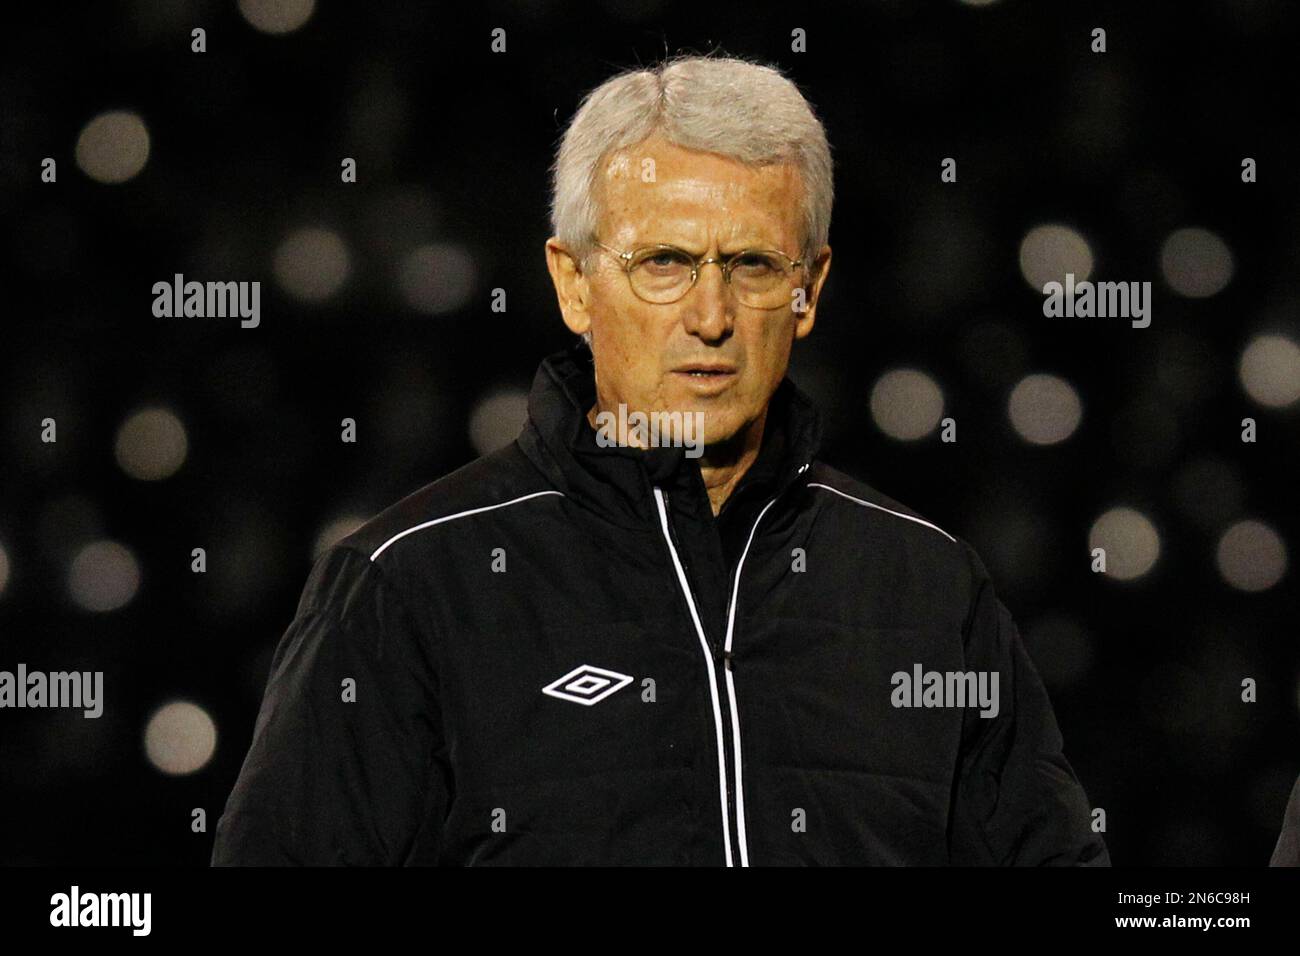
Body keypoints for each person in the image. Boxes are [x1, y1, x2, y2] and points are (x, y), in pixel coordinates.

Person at [211, 54, 1109, 866]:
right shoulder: (404, 587)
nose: (710, 315)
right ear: (573, 283)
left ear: (810, 290)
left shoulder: (929, 587)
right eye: (664, 263)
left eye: (753, 265)